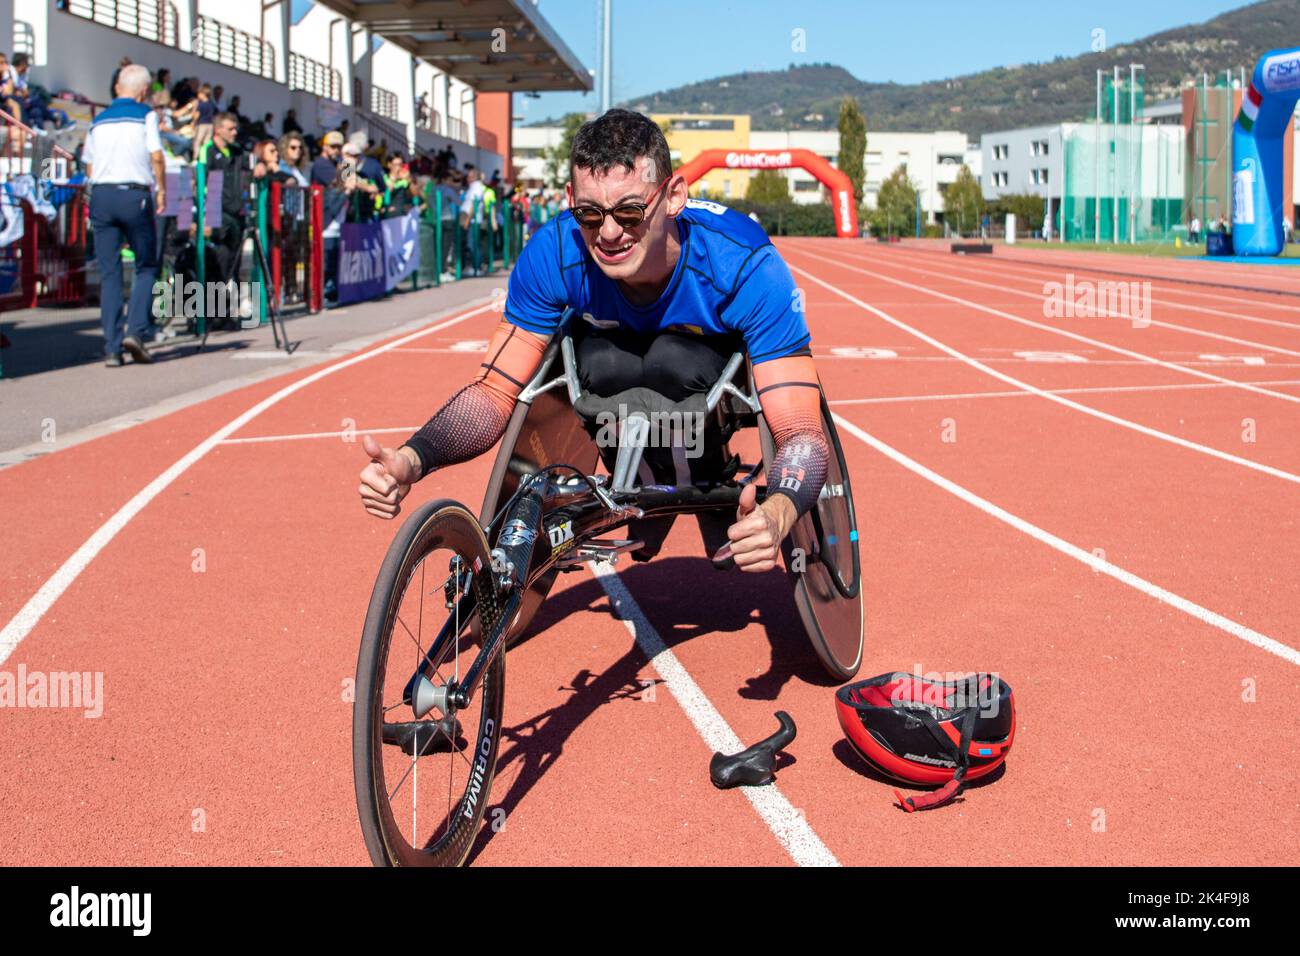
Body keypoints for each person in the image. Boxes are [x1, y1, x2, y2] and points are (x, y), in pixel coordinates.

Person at [359, 109, 830, 574]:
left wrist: (782, 508)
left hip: (705, 386)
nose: (607, 233)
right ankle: (639, 488)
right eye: (588, 213)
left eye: (629, 211)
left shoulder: (745, 263)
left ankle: (705, 485)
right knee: (596, 358)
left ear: (673, 197)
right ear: (569, 200)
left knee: (673, 359)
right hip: (611, 385)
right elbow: (493, 393)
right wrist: (413, 458)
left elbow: (801, 432)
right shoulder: (555, 252)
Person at [83, 63, 167, 366]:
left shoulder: (98, 120)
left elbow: (89, 164)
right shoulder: (146, 115)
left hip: (102, 195)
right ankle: (136, 331)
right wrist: (161, 190)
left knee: (110, 273)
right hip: (134, 195)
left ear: (119, 87)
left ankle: (112, 347)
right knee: (146, 266)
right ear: (144, 90)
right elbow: (156, 155)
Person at [194, 112, 246, 297]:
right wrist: (206, 217)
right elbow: (202, 184)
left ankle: (227, 310)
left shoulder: (236, 151)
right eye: (230, 129)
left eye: (236, 128)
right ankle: (213, 312)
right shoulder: (207, 150)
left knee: (234, 262)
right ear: (218, 130)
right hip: (217, 213)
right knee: (219, 260)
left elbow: (251, 164)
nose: (234, 132)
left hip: (235, 214)